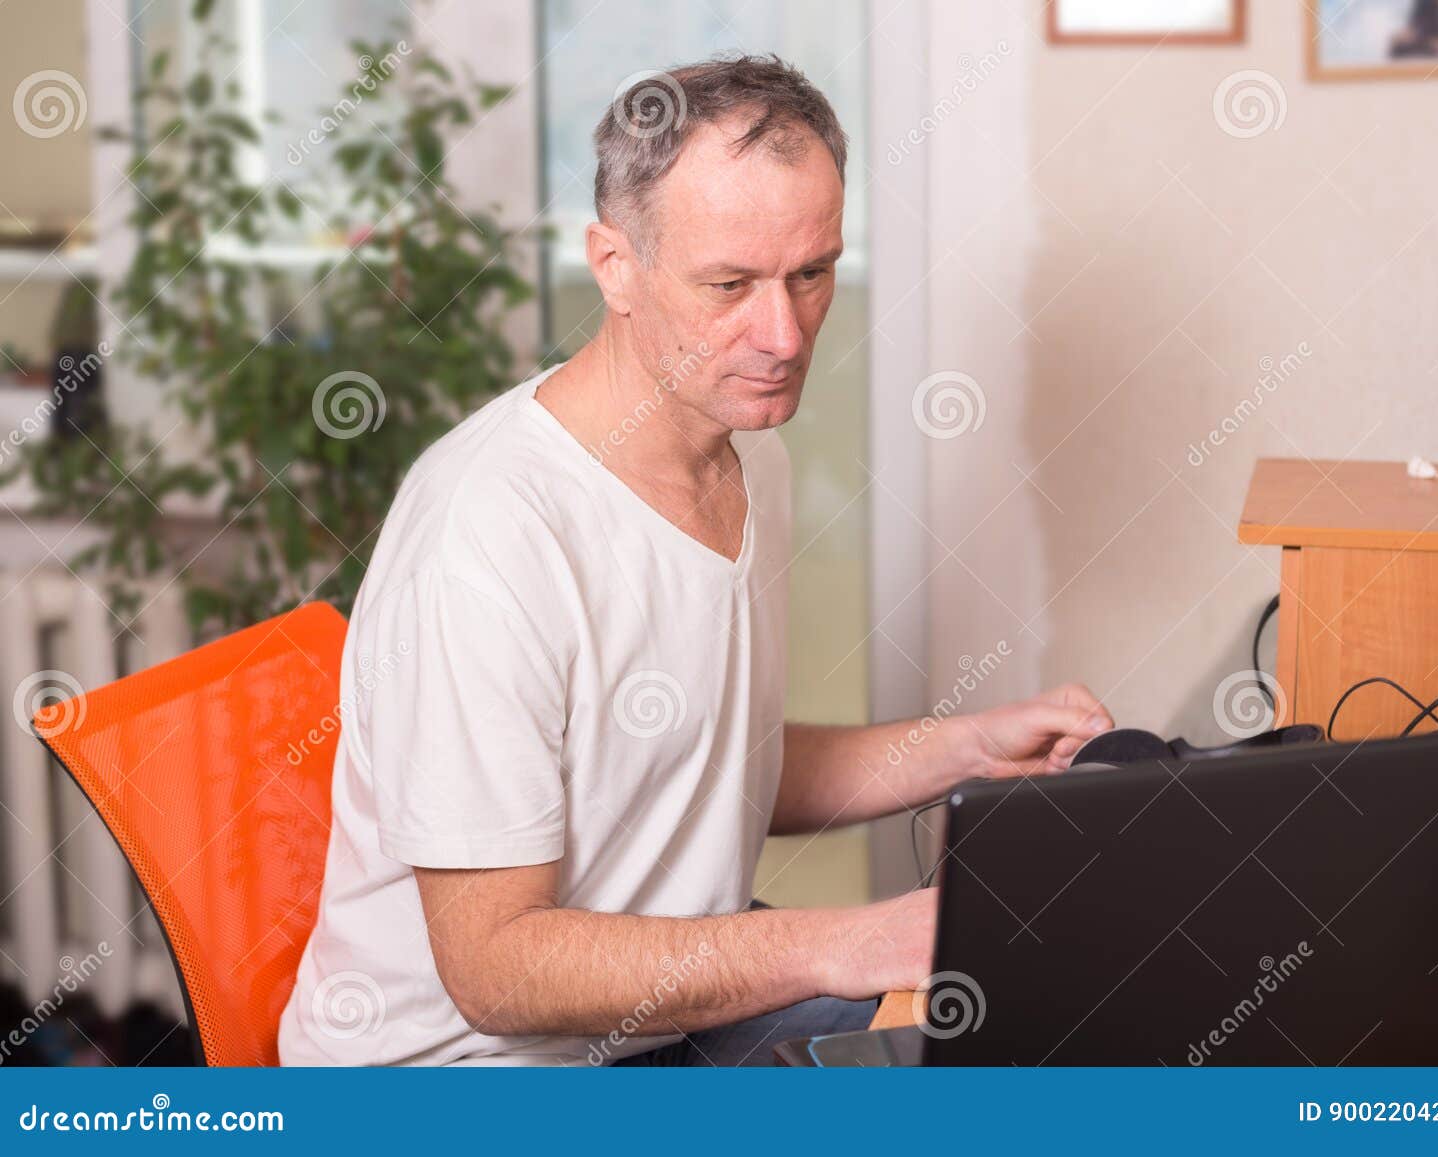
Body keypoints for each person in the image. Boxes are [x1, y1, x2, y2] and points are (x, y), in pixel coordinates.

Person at [277, 54, 1112, 1067]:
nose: (782, 332)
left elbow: (708, 762)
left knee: (1065, 1016)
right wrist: (849, 937)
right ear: (614, 265)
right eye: (729, 284)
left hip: (655, 1025)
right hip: (458, 1074)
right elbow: (494, 970)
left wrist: (969, 747)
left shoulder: (749, 446)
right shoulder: (488, 538)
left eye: (811, 273)